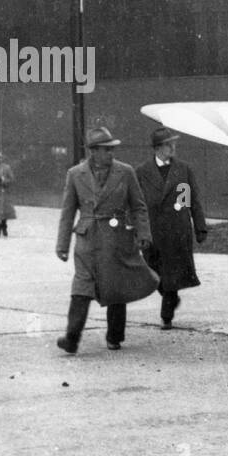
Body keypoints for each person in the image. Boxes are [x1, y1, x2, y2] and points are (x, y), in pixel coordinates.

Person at [55, 127, 155, 353]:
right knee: (81, 287)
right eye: (106, 150)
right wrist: (62, 245)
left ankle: (115, 336)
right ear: (94, 151)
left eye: (112, 149)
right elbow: (68, 212)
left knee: (116, 285)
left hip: (116, 238)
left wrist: (143, 233)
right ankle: (72, 339)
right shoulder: (75, 174)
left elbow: (138, 206)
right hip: (87, 239)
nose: (111, 153)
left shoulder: (126, 172)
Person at [137, 127, 208, 329]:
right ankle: (171, 298)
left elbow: (192, 200)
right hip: (153, 232)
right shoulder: (141, 172)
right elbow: (135, 203)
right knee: (153, 273)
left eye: (173, 143)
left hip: (178, 230)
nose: (173, 147)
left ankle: (166, 315)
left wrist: (200, 227)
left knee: (171, 274)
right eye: (169, 144)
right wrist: (135, 228)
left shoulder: (183, 169)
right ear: (158, 148)